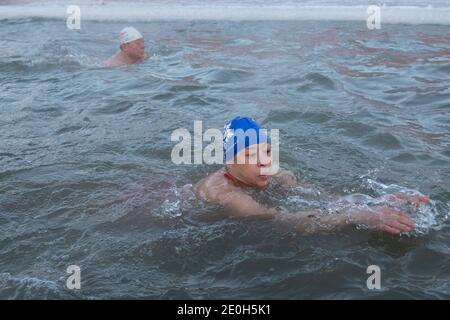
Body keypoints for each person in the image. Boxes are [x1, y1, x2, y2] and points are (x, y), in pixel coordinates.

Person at [195, 116, 429, 235]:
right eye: (250, 155)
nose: (265, 161)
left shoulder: (273, 174)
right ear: (230, 160)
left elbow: (320, 197)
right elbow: (281, 221)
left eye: (266, 151)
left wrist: (373, 204)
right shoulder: (226, 194)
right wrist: (357, 217)